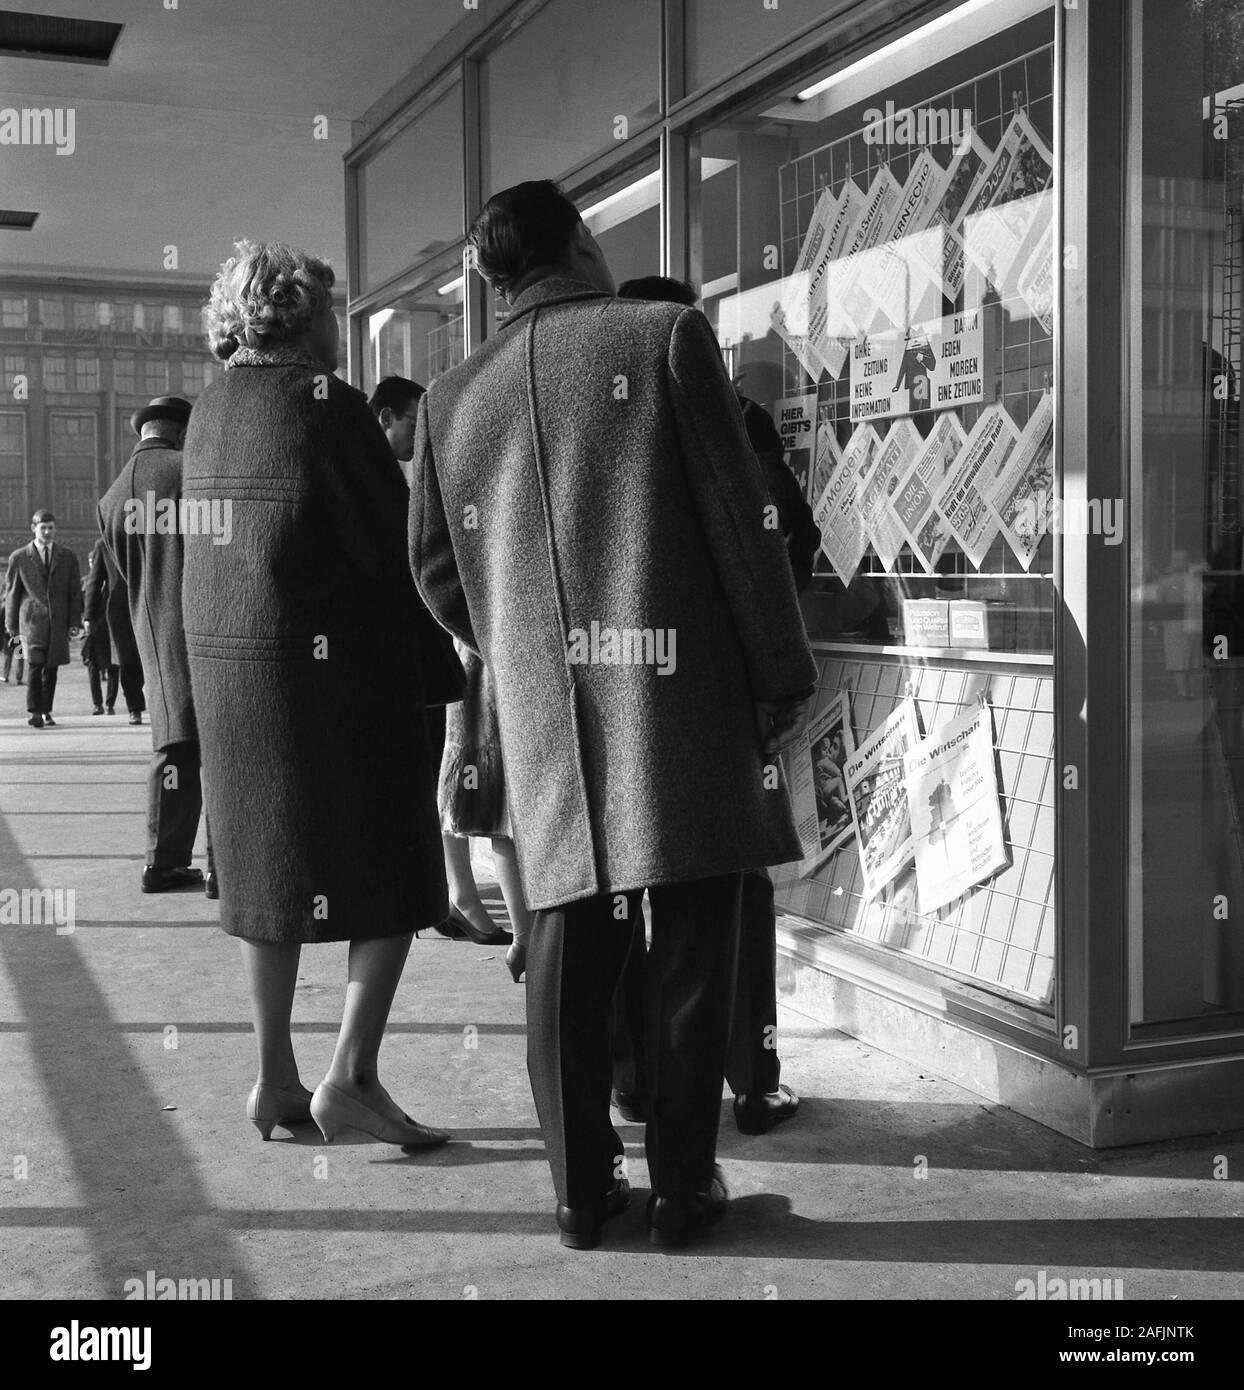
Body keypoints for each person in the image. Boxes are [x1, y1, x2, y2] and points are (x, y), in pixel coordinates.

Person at [410, 181, 816, 1249]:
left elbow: (434, 569)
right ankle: (683, 1189)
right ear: (583, 245)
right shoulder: (668, 336)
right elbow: (745, 526)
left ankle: (578, 1194)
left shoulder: (453, 397)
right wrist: (777, 672)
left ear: (494, 281)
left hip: (543, 707)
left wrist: (524, 647)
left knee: (561, 942)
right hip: (676, 692)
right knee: (688, 938)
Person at [183, 239, 449, 1149]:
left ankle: (273, 1079)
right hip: (335, 686)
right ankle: (353, 1077)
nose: (342, 328)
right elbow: (394, 544)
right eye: (331, 311)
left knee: (269, 872)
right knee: (397, 865)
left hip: (236, 683)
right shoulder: (326, 406)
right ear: (300, 317)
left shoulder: (212, 409)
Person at [609, 275, 819, 1136]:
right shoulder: (730, 417)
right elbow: (783, 539)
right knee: (733, 893)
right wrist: (780, 671)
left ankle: (634, 1078)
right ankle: (750, 1077)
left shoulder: (587, 420)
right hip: (715, 692)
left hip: (606, 700)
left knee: (621, 894)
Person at [366, 376, 484, 946]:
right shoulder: (373, 473)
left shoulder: (390, 471)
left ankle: (434, 895)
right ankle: (425, 898)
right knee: (416, 776)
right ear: (387, 416)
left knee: (423, 775)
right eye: (415, 419)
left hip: (409, 655)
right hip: (402, 656)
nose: (423, 433)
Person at [98, 394, 216, 896]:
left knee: (173, 748)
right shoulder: (190, 472)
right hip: (207, 630)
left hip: (153, 635)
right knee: (223, 752)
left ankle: (162, 863)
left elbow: (122, 579)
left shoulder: (111, 497)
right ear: (182, 432)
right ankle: (223, 867)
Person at [5, 510, 81, 729]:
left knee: (52, 668)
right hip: (31, 623)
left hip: (58, 622)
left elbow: (74, 592)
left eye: (50, 528)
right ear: (33, 529)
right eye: (42, 528)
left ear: (55, 529)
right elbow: (13, 593)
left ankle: (47, 710)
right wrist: (11, 625)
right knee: (35, 666)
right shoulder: (19, 558)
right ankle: (35, 712)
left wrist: (74, 622)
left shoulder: (67, 557)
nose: (47, 532)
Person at [83, 538, 146, 724]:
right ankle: (134, 708)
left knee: (144, 660)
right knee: (126, 660)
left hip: (147, 606)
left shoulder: (147, 537)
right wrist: (88, 616)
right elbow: (94, 582)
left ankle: (141, 698)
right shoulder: (103, 545)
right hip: (119, 611)